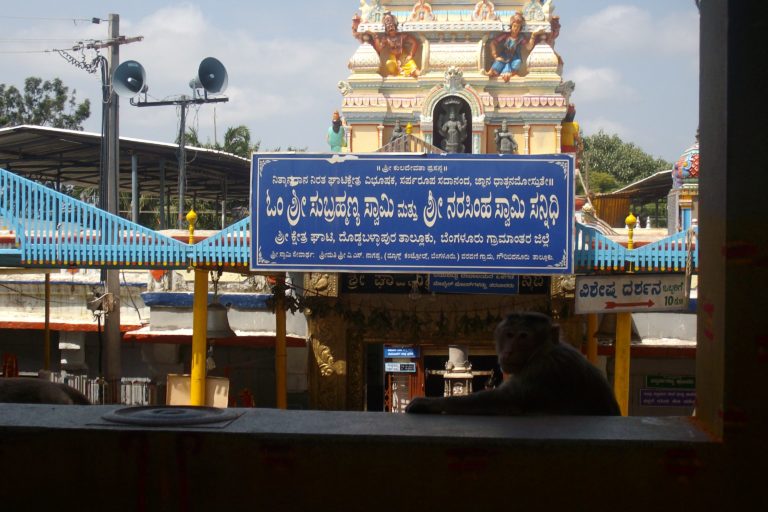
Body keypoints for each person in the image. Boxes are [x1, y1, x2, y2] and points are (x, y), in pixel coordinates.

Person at [486, 13, 538, 82]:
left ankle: (511, 73)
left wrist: (533, 36)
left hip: (514, 57)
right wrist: (495, 55)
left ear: (520, 28)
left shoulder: (521, 38)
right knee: (498, 62)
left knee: (517, 62)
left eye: (518, 27)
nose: (516, 29)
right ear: (511, 26)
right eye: (514, 26)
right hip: (504, 56)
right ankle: (493, 72)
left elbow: (528, 47)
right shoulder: (506, 35)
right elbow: (493, 43)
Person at [370, 12, 421, 77]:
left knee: (416, 72)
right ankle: (394, 73)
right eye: (388, 26)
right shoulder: (386, 39)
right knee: (389, 63)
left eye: (391, 25)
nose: (390, 28)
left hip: (404, 58)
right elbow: (379, 49)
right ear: (386, 29)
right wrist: (375, 36)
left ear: (395, 25)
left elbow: (414, 42)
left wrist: (411, 54)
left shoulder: (402, 36)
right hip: (393, 59)